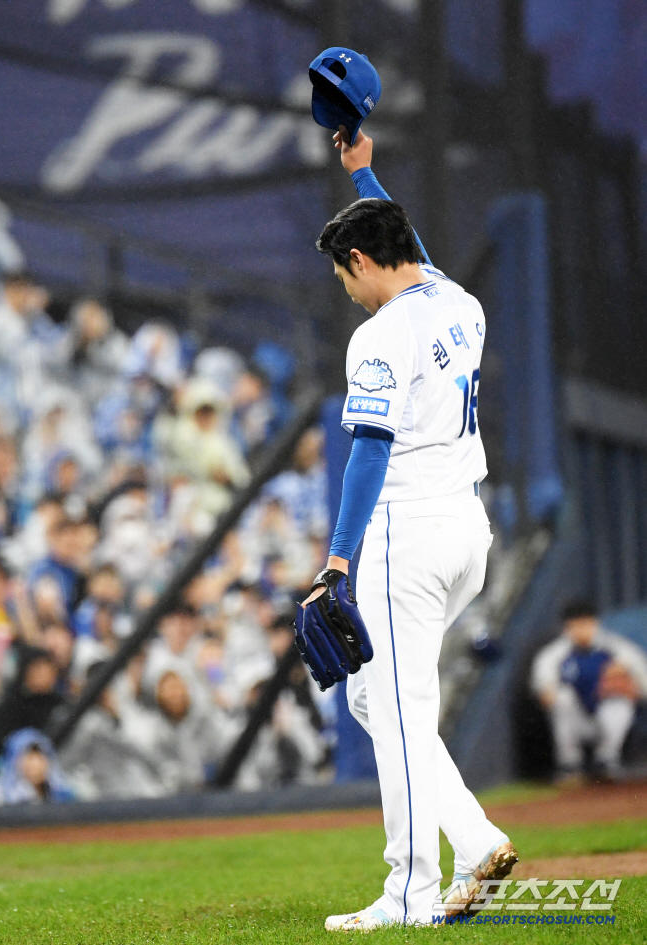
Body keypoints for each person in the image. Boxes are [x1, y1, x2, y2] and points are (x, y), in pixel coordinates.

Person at [301, 127, 516, 930]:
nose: (346, 289)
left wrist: (337, 562)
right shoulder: (460, 302)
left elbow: (369, 453)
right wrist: (366, 176)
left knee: (391, 712)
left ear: (359, 259)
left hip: (407, 537)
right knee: (374, 699)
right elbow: (411, 252)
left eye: (343, 273)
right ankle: (477, 836)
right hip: (467, 533)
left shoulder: (381, 333)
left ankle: (407, 893)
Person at [530, 600, 647, 782]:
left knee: (621, 701)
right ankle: (570, 765)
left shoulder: (616, 648)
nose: (580, 629)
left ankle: (607, 760)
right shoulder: (554, 654)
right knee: (562, 697)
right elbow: (545, 692)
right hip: (575, 721)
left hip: (606, 717)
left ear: (595, 623)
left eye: (585, 623)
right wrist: (550, 691)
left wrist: (630, 688)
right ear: (566, 627)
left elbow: (642, 681)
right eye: (575, 625)